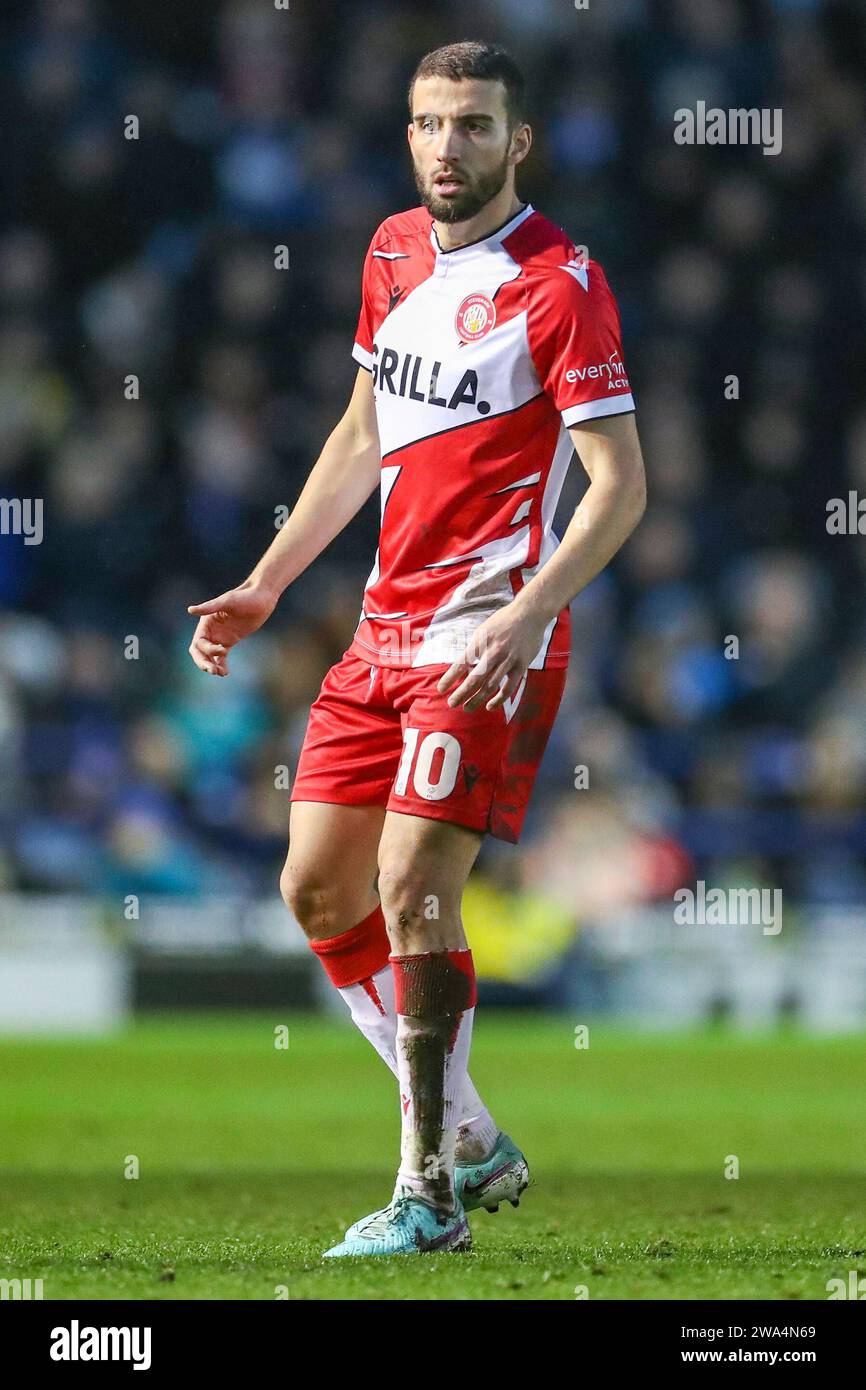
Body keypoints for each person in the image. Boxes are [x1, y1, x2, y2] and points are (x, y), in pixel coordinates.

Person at [187, 40, 645, 1257]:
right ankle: (474, 1129)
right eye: (431, 124)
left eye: (475, 126)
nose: (450, 146)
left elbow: (618, 487)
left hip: (483, 640)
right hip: (378, 628)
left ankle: (426, 1192)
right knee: (313, 885)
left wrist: (528, 609)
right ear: (408, 135)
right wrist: (268, 583)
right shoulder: (390, 250)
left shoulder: (560, 283)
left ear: (517, 142)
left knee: (410, 889)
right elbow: (355, 435)